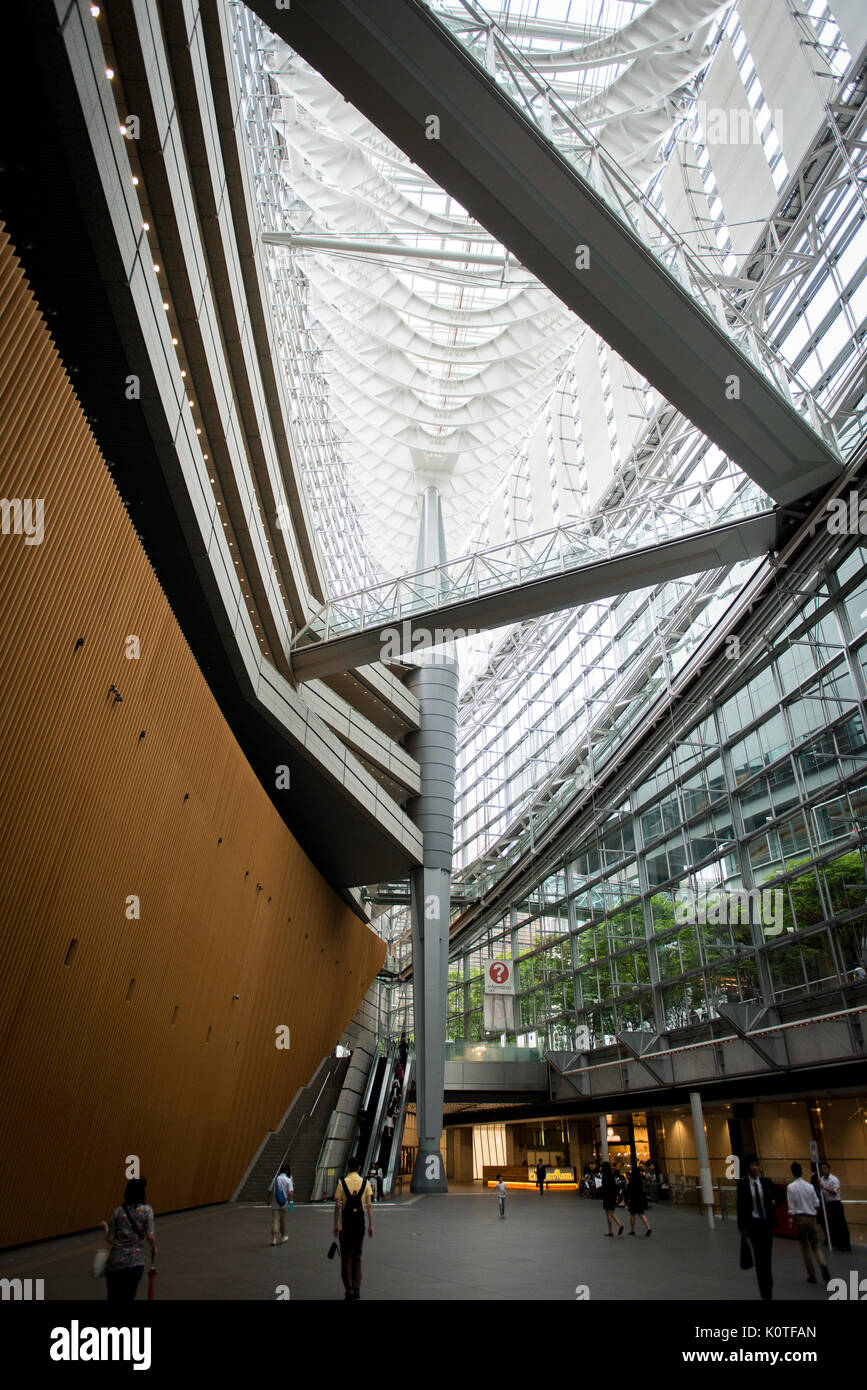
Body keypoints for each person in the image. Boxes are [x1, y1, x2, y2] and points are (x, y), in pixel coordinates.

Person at [101, 1178, 156, 1302]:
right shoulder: (146, 1211)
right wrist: (154, 1248)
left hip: (115, 1262)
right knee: (129, 1296)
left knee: (113, 1297)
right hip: (134, 1262)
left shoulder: (118, 1211)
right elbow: (150, 1236)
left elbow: (110, 1239)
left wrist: (105, 1227)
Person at [736, 1156, 780, 1300]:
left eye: (756, 1165)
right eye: (752, 1165)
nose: (754, 1168)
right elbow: (740, 1207)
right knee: (760, 1260)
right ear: (748, 1168)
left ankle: (768, 1286)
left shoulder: (765, 1182)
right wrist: (742, 1228)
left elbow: (781, 1194)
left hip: (766, 1225)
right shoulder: (743, 1185)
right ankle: (766, 1292)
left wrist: (774, 1202)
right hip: (754, 1227)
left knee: (766, 1259)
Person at [333, 1156, 373, 1300]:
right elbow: (369, 1205)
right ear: (359, 1168)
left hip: (345, 1227)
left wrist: (336, 1225)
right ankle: (356, 1288)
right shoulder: (366, 1183)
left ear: (348, 1167)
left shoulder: (341, 1183)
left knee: (346, 1259)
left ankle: (348, 1290)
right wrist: (371, 1225)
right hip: (359, 1226)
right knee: (357, 1257)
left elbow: (337, 1205)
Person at [787, 1162, 830, 1285]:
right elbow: (816, 1203)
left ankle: (812, 1275)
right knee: (816, 1246)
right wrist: (814, 1216)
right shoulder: (809, 1186)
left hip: (800, 1219)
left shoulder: (791, 1187)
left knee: (805, 1247)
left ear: (792, 1172)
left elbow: (792, 1208)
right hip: (811, 1217)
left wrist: (790, 1223)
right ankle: (823, 1265)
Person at [818, 1162, 851, 1252]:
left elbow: (834, 1191)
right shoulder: (821, 1180)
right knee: (832, 1225)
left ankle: (846, 1245)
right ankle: (836, 1243)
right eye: (822, 1168)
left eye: (825, 1168)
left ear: (828, 1169)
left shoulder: (834, 1179)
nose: (823, 1170)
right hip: (828, 1204)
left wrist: (823, 1187)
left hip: (836, 1204)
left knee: (841, 1225)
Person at [267, 1167, 293, 1244]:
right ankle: (283, 1237)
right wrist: (291, 1201)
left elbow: (269, 1190)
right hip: (284, 1203)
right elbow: (290, 1193)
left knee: (275, 1220)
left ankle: (274, 1238)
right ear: (286, 1171)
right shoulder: (288, 1180)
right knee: (283, 1220)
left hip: (275, 1203)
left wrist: (268, 1200)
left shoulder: (275, 1179)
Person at [600, 1161, 624, 1235]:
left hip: (607, 1196)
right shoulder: (611, 1176)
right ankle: (619, 1224)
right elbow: (614, 1186)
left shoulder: (604, 1176)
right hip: (612, 1196)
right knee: (612, 1212)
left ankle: (610, 1231)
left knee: (608, 1214)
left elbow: (604, 1187)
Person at [626, 1168, 651, 1236]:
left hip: (633, 1199)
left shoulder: (631, 1182)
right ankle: (648, 1227)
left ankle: (632, 1230)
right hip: (640, 1199)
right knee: (641, 1214)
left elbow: (628, 1191)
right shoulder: (640, 1181)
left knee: (632, 1215)